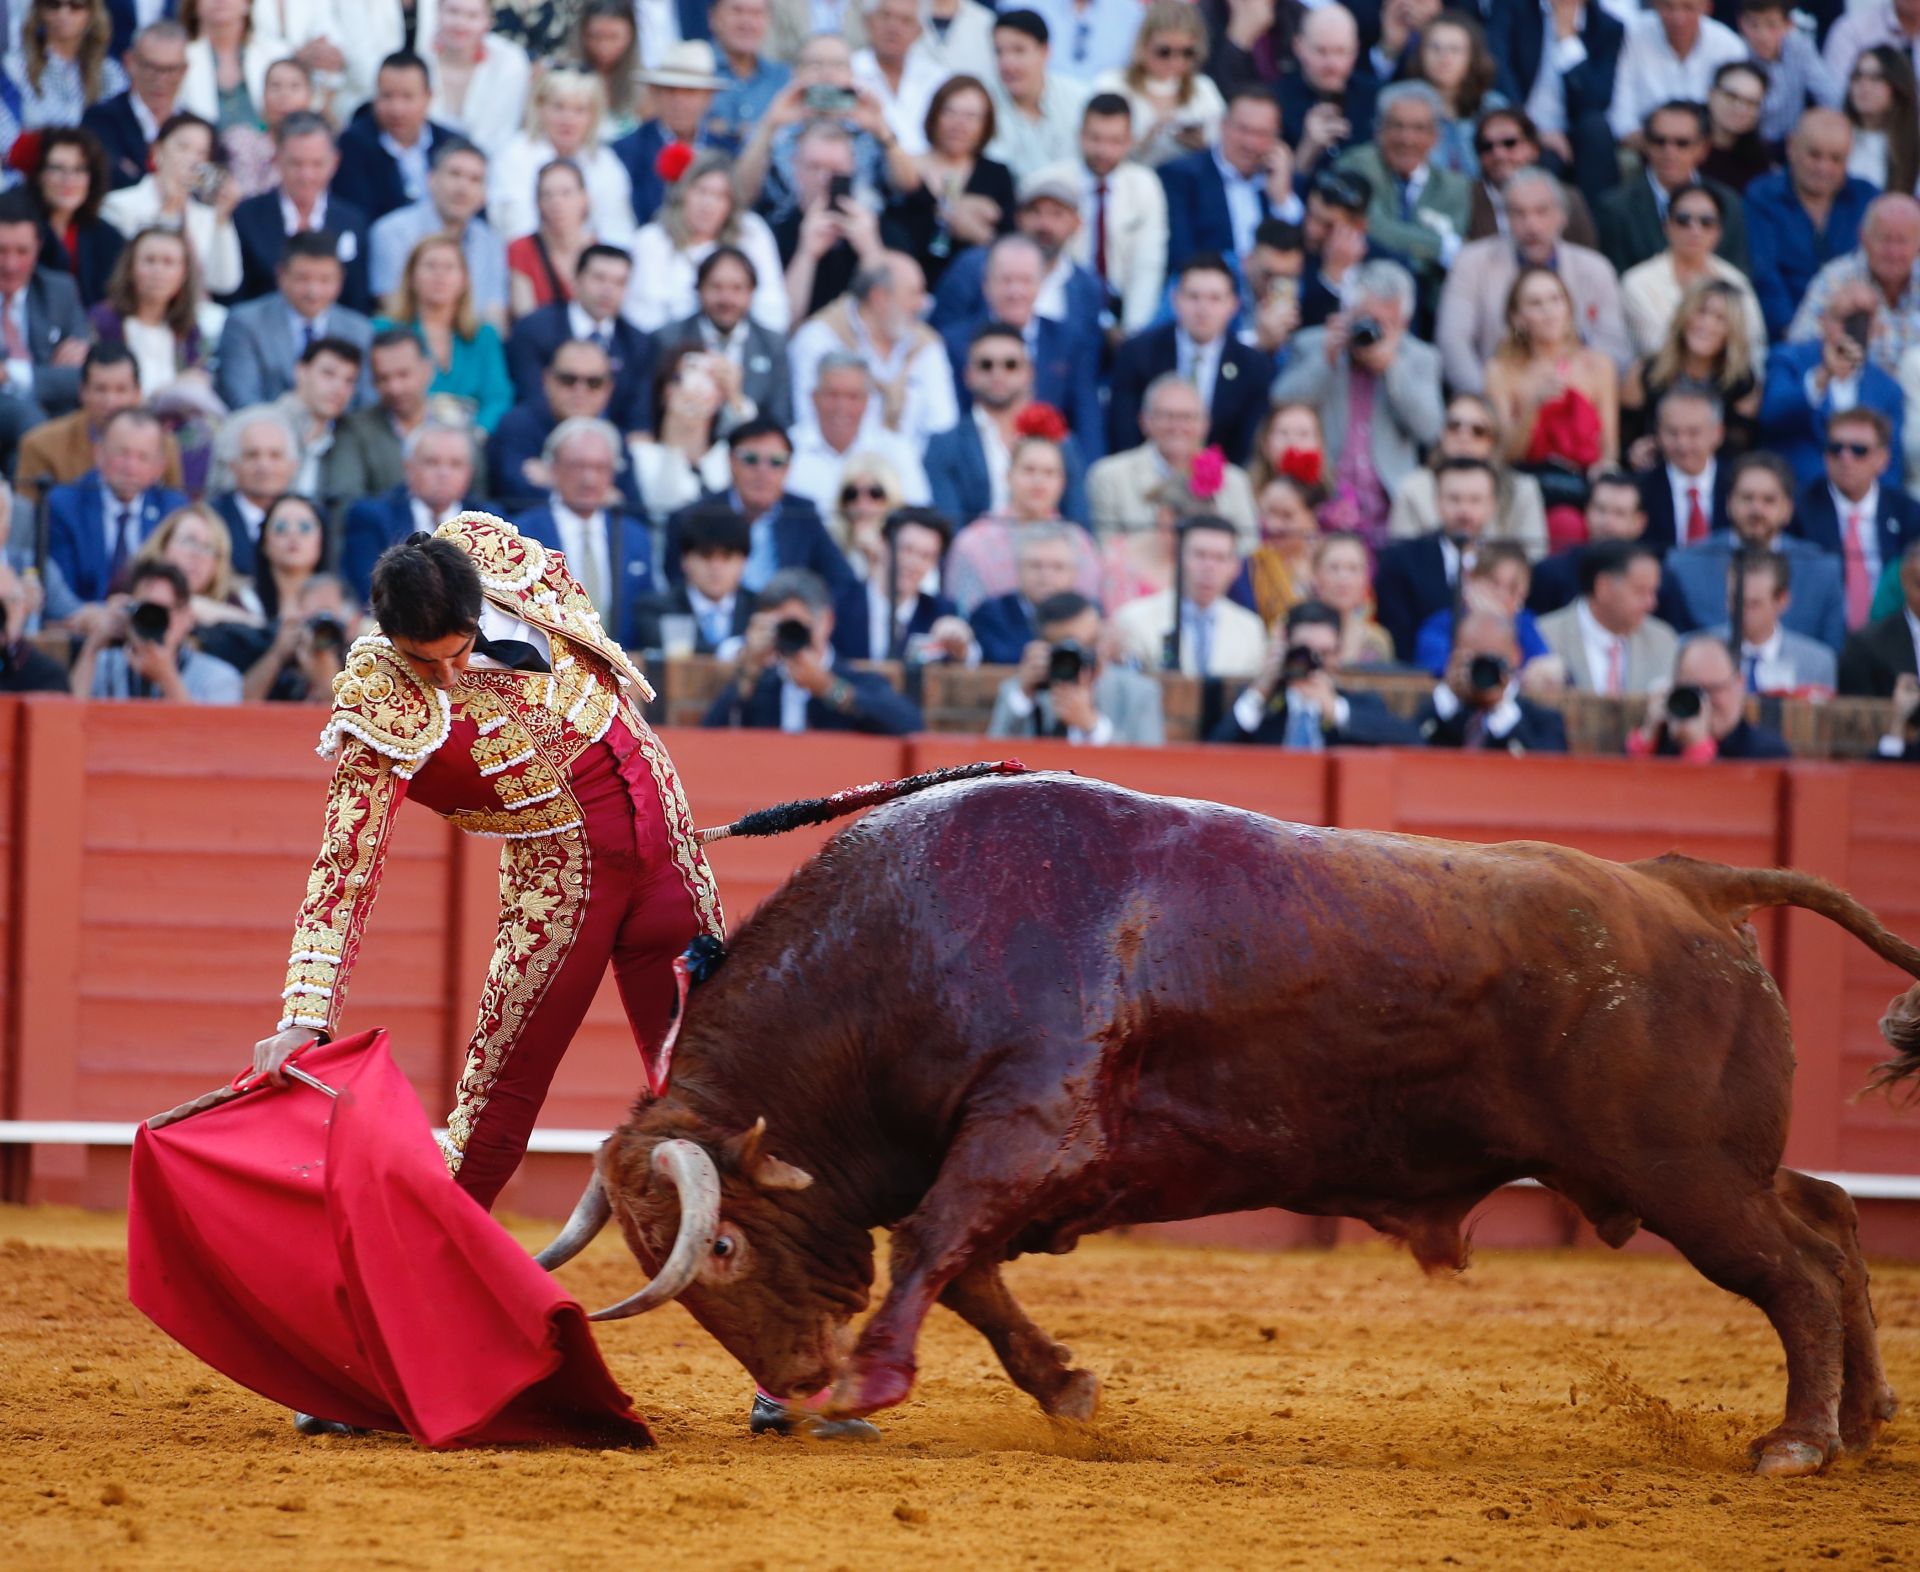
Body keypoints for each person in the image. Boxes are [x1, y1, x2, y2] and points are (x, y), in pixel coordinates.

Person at [252, 519, 726, 1253]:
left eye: (458, 650)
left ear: (478, 608)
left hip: (669, 852)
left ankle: (787, 1355)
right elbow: (346, 860)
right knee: (491, 1118)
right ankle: (402, 1312)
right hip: (561, 896)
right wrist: (305, 1013)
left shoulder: (502, 554)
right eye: (423, 660)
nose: (445, 675)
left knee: (721, 1097)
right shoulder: (378, 700)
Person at [1272, 259, 1444, 550]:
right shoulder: (1313, 345)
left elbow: (1431, 429)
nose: (1372, 330)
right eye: (1365, 317)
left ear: (1403, 323)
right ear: (1347, 312)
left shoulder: (1420, 359)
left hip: (1391, 509)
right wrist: (1328, 361)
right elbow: (1281, 402)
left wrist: (1392, 368)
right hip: (1320, 499)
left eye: (1385, 323)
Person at [1435, 166, 1629, 397]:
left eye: (1542, 211)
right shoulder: (1471, 263)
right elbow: (1452, 342)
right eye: (1518, 213)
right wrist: (1490, 400)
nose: (1531, 225)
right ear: (1504, 218)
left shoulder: (1595, 268)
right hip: (1495, 403)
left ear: (1562, 216)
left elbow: (1614, 347)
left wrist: (1567, 396)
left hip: (1576, 403)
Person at [1482, 265, 1617, 548]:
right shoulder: (1502, 371)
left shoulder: (1598, 365)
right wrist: (1533, 406)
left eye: (1556, 300)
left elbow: (1609, 451)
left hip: (1581, 489)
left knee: (1570, 523)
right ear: (1518, 318)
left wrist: (1601, 477)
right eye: (1535, 303)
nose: (1549, 310)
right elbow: (1505, 453)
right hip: (1526, 486)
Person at [1663, 450, 1846, 653]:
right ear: (1729, 503)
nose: (1756, 509)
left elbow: (1832, 655)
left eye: (1768, 500)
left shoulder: (1822, 570)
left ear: (1788, 509)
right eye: (1747, 498)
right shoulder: (1684, 565)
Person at [704, 565, 924, 732]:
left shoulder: (855, 681)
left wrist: (829, 688)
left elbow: (911, 726)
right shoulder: (760, 685)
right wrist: (749, 670)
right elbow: (711, 739)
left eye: (794, 625)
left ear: (826, 622)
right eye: (777, 627)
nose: (786, 635)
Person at [1105, 253, 1273, 465]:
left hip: (1221, 482)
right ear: (1175, 299)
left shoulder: (1254, 366)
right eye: (1193, 297)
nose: (1203, 309)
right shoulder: (1138, 353)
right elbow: (1124, 434)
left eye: (1215, 298)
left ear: (1233, 305)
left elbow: (1248, 447)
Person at [663, 416, 854, 596]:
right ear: (731, 462)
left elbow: (842, 581)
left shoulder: (802, 513)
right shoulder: (693, 518)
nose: (763, 472)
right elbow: (677, 594)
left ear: (788, 468)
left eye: (776, 461)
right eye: (751, 459)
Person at [515, 418, 658, 650]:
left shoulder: (635, 537)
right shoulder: (524, 533)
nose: (588, 479)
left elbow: (647, 611)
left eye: (600, 467)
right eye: (577, 466)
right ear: (553, 468)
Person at [789, 253, 956, 446]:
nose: (923, 304)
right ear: (879, 297)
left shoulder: (926, 344)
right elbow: (809, 422)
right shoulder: (819, 338)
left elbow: (943, 427)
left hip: (914, 470)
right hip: (837, 467)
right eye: (914, 293)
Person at [735, 33, 904, 224]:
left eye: (838, 65)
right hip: (784, 237)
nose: (827, 74)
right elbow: (741, 194)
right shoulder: (775, 127)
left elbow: (910, 188)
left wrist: (883, 130)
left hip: (861, 235)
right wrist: (769, 126)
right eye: (816, 65)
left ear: (852, 75)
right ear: (796, 73)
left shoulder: (870, 126)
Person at [1334, 81, 1473, 307]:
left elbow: (1453, 263)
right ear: (1379, 130)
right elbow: (1369, 225)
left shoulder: (1455, 187)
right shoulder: (1357, 165)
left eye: (1419, 128)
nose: (1407, 139)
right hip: (1362, 297)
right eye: (1397, 126)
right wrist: (1438, 247)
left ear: (1435, 136)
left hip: (1429, 305)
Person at [1746, 110, 1876, 343]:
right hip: (1783, 335)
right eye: (1814, 155)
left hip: (1859, 334)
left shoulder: (1867, 198)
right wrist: (1794, 336)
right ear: (1791, 147)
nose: (1824, 168)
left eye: (1836, 159)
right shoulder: (1762, 196)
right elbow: (1764, 274)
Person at [1764, 277, 1905, 488]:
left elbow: (1891, 467)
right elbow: (1771, 416)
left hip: (1858, 505)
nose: (1853, 329)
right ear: (1823, 321)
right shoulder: (1790, 359)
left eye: (1862, 321)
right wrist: (1822, 376)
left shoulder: (1887, 389)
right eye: (1845, 319)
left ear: (1876, 328)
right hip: (1798, 498)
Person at [1212, 598, 1413, 747]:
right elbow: (1214, 751)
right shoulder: (1258, 704)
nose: (1314, 663)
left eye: (1324, 653)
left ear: (1338, 654)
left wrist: (1335, 709)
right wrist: (1263, 687)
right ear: (1286, 647)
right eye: (1305, 652)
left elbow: (1412, 741)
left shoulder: (1357, 705)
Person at [45, 407, 191, 611]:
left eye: (143, 457)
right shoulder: (63, 504)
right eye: (122, 454)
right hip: (81, 627)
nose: (130, 467)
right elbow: (60, 594)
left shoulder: (173, 508)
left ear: (160, 467)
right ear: (99, 454)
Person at [880, 73, 1015, 291]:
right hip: (906, 287)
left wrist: (980, 234)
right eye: (950, 112)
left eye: (971, 116)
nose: (959, 124)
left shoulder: (997, 175)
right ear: (934, 115)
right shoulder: (907, 167)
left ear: (985, 125)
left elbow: (1011, 244)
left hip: (971, 293)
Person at [627, 151, 789, 334]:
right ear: (683, 192)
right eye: (701, 191)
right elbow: (640, 314)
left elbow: (772, 307)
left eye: (720, 196)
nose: (707, 204)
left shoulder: (750, 232)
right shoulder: (652, 240)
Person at [505, 243, 652, 439]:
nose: (608, 290)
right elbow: (531, 402)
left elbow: (638, 421)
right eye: (599, 278)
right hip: (542, 440)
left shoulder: (637, 343)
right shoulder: (534, 329)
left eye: (619, 282)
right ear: (575, 280)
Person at [229, 112, 373, 311]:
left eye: (317, 164)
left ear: (335, 162)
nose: (307, 175)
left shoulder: (352, 221)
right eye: (296, 163)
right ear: (277, 160)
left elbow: (357, 301)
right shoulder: (246, 217)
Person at [947, 425, 1100, 611]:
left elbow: (1091, 612)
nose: (1038, 481)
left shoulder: (1080, 543)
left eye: (1049, 473)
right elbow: (962, 613)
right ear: (1008, 475)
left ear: (1063, 482)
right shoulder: (973, 542)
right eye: (1029, 470)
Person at [1794, 405, 1920, 631]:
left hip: (1890, 642)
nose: (1845, 457)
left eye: (1859, 450)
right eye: (1835, 448)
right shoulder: (1799, 510)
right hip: (1819, 635)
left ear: (1883, 459)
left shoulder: (1909, 514)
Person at [13, 340, 184, 505]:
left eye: (121, 389)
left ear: (137, 393)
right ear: (82, 391)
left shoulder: (164, 446)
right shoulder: (41, 446)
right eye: (100, 389)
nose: (110, 401)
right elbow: (30, 522)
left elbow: (173, 517)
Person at [1088, 374, 1256, 541]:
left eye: (1187, 417)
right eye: (1167, 416)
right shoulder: (1110, 476)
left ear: (1205, 424)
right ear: (1145, 421)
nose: (1177, 426)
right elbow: (1106, 551)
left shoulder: (1235, 481)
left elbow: (1246, 549)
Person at [1485, 0, 1621, 204]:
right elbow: (1499, 75)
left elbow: (1595, 101)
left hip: (1575, 135)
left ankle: (1596, 229)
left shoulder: (1606, 27)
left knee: (1595, 130)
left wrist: (1568, 41)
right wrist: (1532, 131)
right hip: (1523, 124)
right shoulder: (1512, 8)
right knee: (1546, 159)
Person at [96, 109, 242, 299]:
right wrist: (166, 209)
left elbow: (224, 283)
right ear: (157, 151)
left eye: (202, 153)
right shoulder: (118, 206)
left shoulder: (205, 216)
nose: (193, 160)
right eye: (183, 147)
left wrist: (222, 218)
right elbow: (117, 275)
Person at [374, 234, 512, 434]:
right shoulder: (383, 330)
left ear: (464, 280)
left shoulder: (484, 335)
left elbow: (498, 397)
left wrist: (478, 435)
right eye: (430, 266)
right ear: (411, 277)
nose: (440, 275)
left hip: (472, 442)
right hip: (401, 437)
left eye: (449, 268)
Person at [1597, 101, 1750, 280]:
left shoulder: (1728, 202)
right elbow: (1617, 278)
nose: (1669, 152)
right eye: (1659, 141)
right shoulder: (1615, 207)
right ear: (1645, 144)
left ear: (1702, 148)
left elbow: (1738, 274)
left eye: (1682, 143)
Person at [1620, 185, 1768, 369]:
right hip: (1661, 386)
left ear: (1718, 231)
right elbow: (1655, 348)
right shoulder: (1638, 282)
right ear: (1667, 226)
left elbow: (1755, 345)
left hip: (1728, 383)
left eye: (1706, 222)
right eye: (1683, 220)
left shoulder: (1735, 280)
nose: (1695, 229)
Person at [650, 245, 796, 432]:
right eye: (716, 287)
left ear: (751, 293)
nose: (726, 299)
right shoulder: (668, 339)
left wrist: (737, 400)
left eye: (737, 288)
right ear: (699, 289)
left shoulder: (773, 345)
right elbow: (652, 412)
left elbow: (781, 420)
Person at [988, 589, 1164, 744]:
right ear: (1045, 647)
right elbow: (994, 764)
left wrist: (1093, 727)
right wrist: (1023, 697)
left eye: (1092, 642)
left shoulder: (1139, 692)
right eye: (1071, 648)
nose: (1086, 655)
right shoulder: (1023, 689)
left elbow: (1149, 766)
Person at [488, 66, 635, 249]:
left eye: (579, 110)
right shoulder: (515, 154)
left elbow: (617, 229)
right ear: (540, 108)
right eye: (559, 107)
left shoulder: (604, 161)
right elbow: (515, 224)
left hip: (591, 266)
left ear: (593, 116)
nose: (568, 119)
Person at [1388, 393, 1548, 559]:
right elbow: (1399, 560)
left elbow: (1534, 560)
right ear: (1441, 435)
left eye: (1478, 431)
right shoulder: (1413, 489)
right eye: (1454, 426)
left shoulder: (1522, 491)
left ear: (1494, 440)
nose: (1464, 437)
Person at [1158, 83, 1298, 273]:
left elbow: (1296, 258)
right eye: (1243, 130)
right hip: (1208, 293)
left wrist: (1281, 200)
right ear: (1223, 125)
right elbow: (1182, 256)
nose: (1251, 143)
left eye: (1262, 134)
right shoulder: (1182, 176)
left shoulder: (1283, 178)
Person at [369, 138, 508, 326]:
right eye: (454, 174)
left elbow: (494, 312)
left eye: (475, 180)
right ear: (431, 179)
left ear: (485, 194)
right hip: (409, 340)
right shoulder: (392, 231)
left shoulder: (491, 242)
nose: (463, 188)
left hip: (471, 343)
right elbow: (392, 305)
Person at [489, 338, 642, 509]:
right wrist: (598, 494)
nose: (580, 390)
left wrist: (555, 479)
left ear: (608, 389)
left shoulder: (613, 438)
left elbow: (632, 509)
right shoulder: (516, 426)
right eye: (568, 380)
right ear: (547, 380)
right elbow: (518, 496)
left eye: (594, 382)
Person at [1623, 278, 1763, 464]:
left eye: (1720, 319)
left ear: (1731, 331)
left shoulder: (1742, 382)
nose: (1706, 324)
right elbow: (1622, 439)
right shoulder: (1645, 371)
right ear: (1685, 316)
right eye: (1701, 312)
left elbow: (1738, 453)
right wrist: (1634, 452)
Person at [1109, 513, 1265, 678]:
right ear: (1178, 558)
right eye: (1200, 555)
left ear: (1235, 567)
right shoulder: (1133, 619)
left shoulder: (1250, 629)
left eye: (1220, 558)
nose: (1209, 568)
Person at [0, 186, 93, 464]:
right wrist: (48, 374)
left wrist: (11, 374)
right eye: (1, 251)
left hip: (49, 416)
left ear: (38, 247)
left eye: (22, 251)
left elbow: (81, 378)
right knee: (28, 418)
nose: (11, 264)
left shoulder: (59, 290)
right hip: (26, 417)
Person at [1373, 455, 1500, 659]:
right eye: (1454, 499)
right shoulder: (1401, 561)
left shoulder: (1506, 564)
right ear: (1437, 501)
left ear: (1492, 505)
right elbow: (1399, 644)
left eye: (1475, 500)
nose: (1464, 511)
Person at [67, 556, 243, 702]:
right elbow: (66, 724)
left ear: (187, 618)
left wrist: (167, 678)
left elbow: (207, 741)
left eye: (162, 612)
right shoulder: (103, 664)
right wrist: (91, 650)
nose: (153, 620)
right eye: (145, 610)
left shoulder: (219, 679)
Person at [339, 417, 477, 598]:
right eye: (432, 462)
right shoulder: (370, 517)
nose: (444, 473)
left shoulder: (490, 523)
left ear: (470, 472)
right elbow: (369, 592)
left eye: (455, 464)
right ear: (408, 467)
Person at [1787, 191, 1920, 373]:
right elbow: (1797, 349)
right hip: (1856, 391)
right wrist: (1833, 323)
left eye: (1902, 241)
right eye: (1885, 239)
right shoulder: (1835, 278)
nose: (1893, 252)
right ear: (1863, 237)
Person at [1071, 91, 1168, 338]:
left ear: (1130, 142)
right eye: (1095, 138)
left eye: (1115, 141)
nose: (1103, 150)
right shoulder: (1052, 183)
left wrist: (1132, 332)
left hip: (1122, 309)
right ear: (1080, 136)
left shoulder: (1145, 184)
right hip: (1069, 313)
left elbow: (1148, 263)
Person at [785, 352, 931, 514]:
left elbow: (919, 516)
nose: (841, 407)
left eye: (852, 397)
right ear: (814, 398)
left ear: (867, 401)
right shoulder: (789, 449)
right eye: (832, 395)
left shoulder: (896, 450)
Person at [1414, 604, 1569, 753]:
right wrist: (1449, 698)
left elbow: (1546, 773)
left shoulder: (1544, 722)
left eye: (1491, 662)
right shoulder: (1441, 712)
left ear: (1515, 656)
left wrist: (1502, 713)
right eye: (1474, 661)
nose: (1483, 671)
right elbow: (1409, 750)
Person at [1089, 1, 1223, 170]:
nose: (1176, 62)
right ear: (1143, 45)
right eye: (1164, 52)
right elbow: (1095, 145)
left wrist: (1202, 145)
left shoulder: (1204, 90)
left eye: (1187, 52)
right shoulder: (1112, 84)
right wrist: (1146, 141)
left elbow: (1224, 153)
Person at [777, 120, 888, 323]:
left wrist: (870, 250)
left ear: (852, 168)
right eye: (814, 167)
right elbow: (781, 321)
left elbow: (890, 315)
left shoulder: (878, 226)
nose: (824, 179)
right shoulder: (775, 231)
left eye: (836, 170)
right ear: (796, 167)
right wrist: (806, 254)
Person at [829, 506, 971, 664]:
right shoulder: (838, 605)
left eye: (926, 556)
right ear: (883, 544)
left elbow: (969, 658)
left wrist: (960, 644)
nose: (914, 563)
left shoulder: (940, 612)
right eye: (906, 549)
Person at [1537, 538, 1679, 694]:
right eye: (1640, 592)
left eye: (1653, 592)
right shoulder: (1545, 635)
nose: (1651, 603)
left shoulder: (1662, 640)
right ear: (1602, 587)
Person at [1627, 632, 1792, 759]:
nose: (1704, 701)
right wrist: (1645, 740)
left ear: (1740, 685)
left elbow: (1728, 800)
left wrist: (1698, 750)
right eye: (1694, 690)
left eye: (1714, 689)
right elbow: (1623, 792)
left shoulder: (1767, 753)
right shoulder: (1660, 742)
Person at [1607, 0, 1746, 149]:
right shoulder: (1631, 35)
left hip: (1711, 151)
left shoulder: (1729, 46)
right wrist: (1663, 148)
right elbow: (1621, 114)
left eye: (1688, 7)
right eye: (1668, 6)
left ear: (1707, 8)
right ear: (1655, 5)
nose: (1678, 18)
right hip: (1644, 147)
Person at [628, 344, 738, 527]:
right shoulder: (640, 453)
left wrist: (736, 399)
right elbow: (663, 511)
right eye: (679, 378)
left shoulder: (728, 455)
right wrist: (674, 439)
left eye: (708, 378)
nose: (694, 387)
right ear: (664, 391)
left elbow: (756, 445)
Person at [1461, 106, 1600, 249]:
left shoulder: (1568, 197)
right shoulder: (1466, 199)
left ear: (1533, 148)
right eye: (1487, 146)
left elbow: (1586, 253)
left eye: (1510, 143)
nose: (1499, 154)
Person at [328, 328, 439, 504]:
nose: (395, 388)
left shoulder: (453, 425)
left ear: (427, 371)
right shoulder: (355, 430)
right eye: (383, 378)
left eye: (404, 374)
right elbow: (345, 501)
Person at [1707, 548, 1839, 694]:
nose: (1740, 612)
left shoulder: (1816, 664)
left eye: (1753, 604)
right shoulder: (1698, 654)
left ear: (1782, 601)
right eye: (1734, 600)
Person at [1411, 539, 1551, 677]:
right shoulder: (1441, 624)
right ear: (1470, 580)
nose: (1501, 595)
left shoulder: (1525, 625)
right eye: (1493, 582)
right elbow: (1438, 669)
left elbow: (1545, 666)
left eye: (1513, 590)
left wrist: (1503, 625)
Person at [630, 502, 755, 656]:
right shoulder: (655, 610)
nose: (715, 567)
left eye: (726, 557)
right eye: (705, 556)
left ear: (744, 562)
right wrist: (737, 650)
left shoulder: (759, 609)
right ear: (685, 560)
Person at [981, 10, 1088, 184]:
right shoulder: (983, 103)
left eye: (1019, 50)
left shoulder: (1079, 99)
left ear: (1045, 51)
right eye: (999, 52)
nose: (1007, 63)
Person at [417, 0, 531, 161]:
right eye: (453, 12)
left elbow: (501, 134)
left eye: (472, 16)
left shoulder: (509, 62)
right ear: (438, 13)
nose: (461, 24)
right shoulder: (419, 57)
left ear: (488, 21)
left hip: (488, 168)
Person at [80, 19, 186, 190]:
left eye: (170, 69)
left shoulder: (195, 125)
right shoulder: (101, 119)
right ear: (130, 62)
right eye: (151, 67)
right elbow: (110, 178)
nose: (161, 79)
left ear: (184, 70)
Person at [25, 125, 121, 307]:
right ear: (40, 174)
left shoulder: (108, 237)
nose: (68, 180)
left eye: (79, 170)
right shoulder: (18, 225)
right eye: (58, 168)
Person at [262, 334, 363, 503]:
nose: (339, 388)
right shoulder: (262, 425)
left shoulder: (344, 437)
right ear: (301, 372)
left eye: (349, 380)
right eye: (328, 374)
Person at [1278, 5, 1378, 174]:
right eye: (1321, 51)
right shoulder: (1276, 101)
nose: (1331, 64)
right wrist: (1308, 149)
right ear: (1298, 47)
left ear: (1355, 50)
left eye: (1340, 52)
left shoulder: (1375, 97)